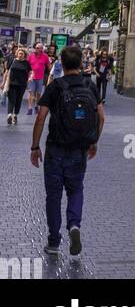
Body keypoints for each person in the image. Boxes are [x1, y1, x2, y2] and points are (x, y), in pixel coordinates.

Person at [30, 44, 104, 261]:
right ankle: (74, 225)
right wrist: (93, 141)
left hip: (55, 149)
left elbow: (41, 117)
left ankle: (53, 242)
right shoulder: (90, 86)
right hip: (79, 149)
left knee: (53, 196)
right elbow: (102, 117)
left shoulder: (56, 86)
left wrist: (35, 147)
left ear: (61, 63)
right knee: (75, 190)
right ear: (81, 63)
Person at [3, 44, 31, 124]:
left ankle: (15, 115)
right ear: (17, 54)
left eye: (22, 54)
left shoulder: (26, 63)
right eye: (19, 53)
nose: (20, 55)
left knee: (18, 100)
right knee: (12, 99)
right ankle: (9, 115)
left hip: (22, 85)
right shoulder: (13, 61)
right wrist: (3, 83)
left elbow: (31, 72)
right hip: (12, 84)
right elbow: (7, 72)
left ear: (24, 55)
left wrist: (30, 77)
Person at [26, 42, 50, 116]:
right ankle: (30, 108)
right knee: (30, 93)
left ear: (41, 49)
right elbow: (27, 65)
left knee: (38, 94)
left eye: (37, 48)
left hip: (40, 77)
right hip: (31, 77)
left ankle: (36, 106)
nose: (35, 49)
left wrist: (50, 74)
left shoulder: (45, 56)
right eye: (35, 48)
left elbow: (49, 66)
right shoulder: (31, 56)